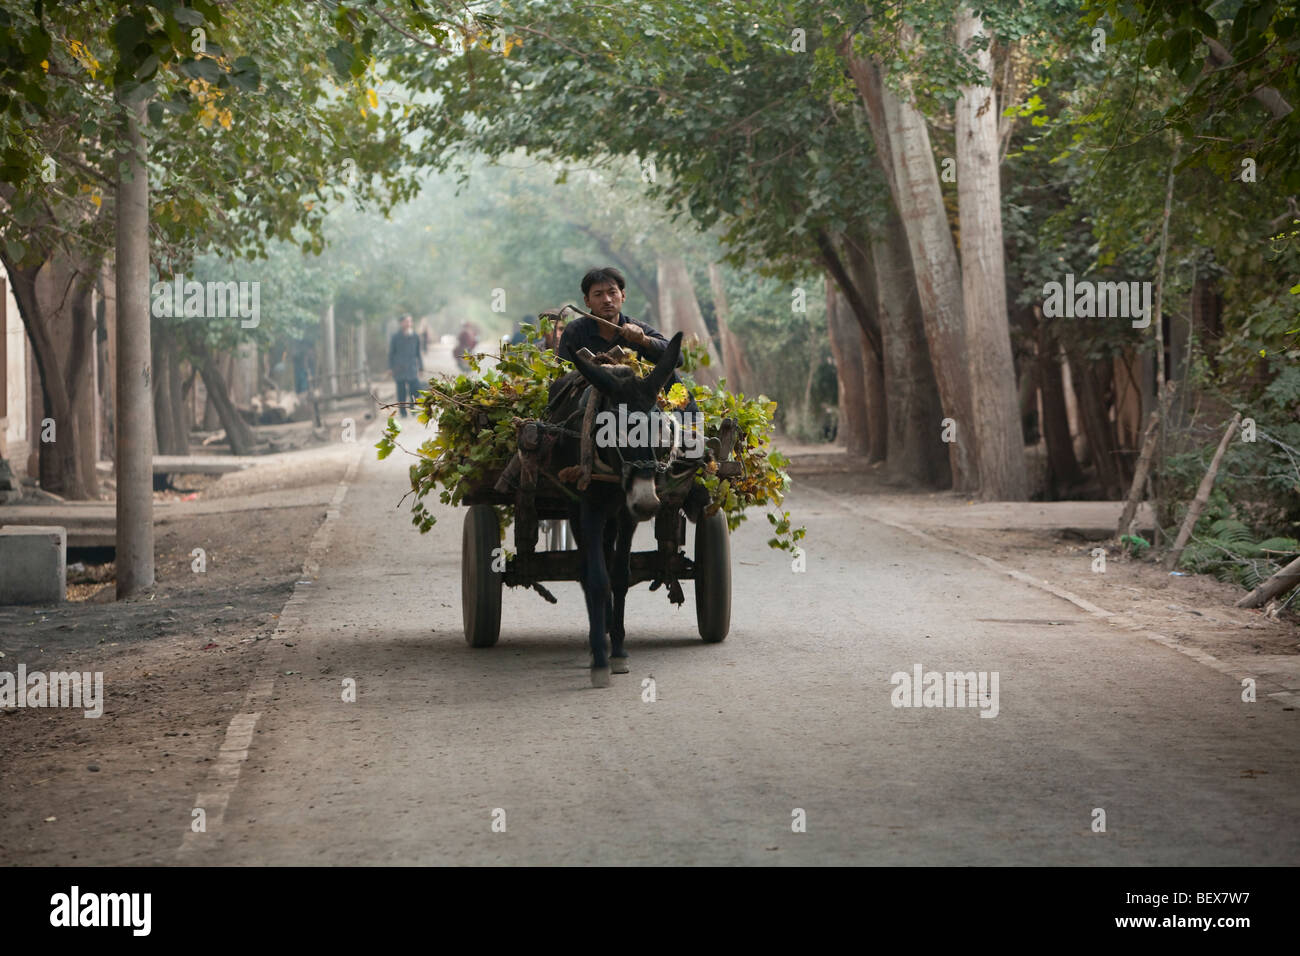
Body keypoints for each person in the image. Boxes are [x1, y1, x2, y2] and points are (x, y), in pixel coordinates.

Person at [556, 266, 695, 410]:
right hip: (589, 400)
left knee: (669, 374)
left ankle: (690, 426)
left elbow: (678, 359)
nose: (607, 300)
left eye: (612, 292)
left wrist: (643, 340)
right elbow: (564, 378)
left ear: (623, 296)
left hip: (632, 399)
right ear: (587, 301)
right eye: (598, 295)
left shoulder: (637, 328)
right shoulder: (574, 331)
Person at [388, 314, 424, 417]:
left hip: (412, 367)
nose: (408, 324)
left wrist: (421, 367)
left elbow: (418, 353)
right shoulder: (395, 337)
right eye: (406, 321)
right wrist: (390, 368)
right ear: (401, 323)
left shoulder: (415, 336)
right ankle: (403, 412)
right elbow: (391, 353)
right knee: (401, 391)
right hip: (399, 368)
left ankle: (412, 407)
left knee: (416, 389)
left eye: (410, 321)